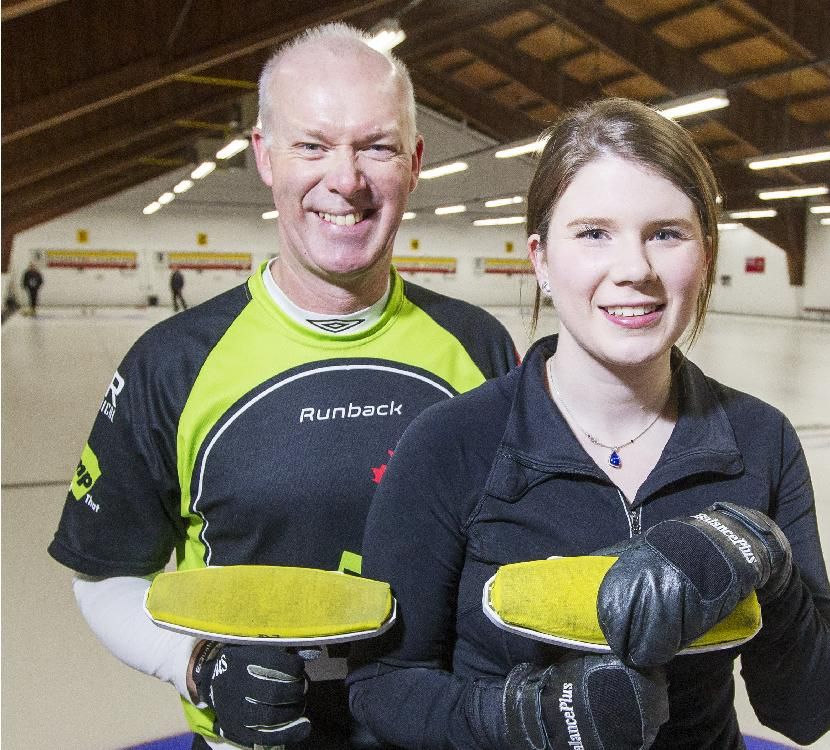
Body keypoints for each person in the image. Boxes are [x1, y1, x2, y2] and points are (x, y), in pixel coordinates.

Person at [47, 23, 518, 750]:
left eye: (377, 146)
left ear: (415, 162)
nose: (347, 179)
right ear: (265, 157)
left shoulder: (480, 347)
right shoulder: (171, 362)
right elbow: (102, 575)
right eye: (313, 144)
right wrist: (196, 663)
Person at [348, 98, 830, 749]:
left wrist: (772, 566)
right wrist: (521, 719)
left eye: (666, 233)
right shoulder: (450, 444)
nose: (635, 269)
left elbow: (810, 711)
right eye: (594, 233)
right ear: (540, 259)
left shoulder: (760, 440)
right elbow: (384, 684)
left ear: (704, 254)